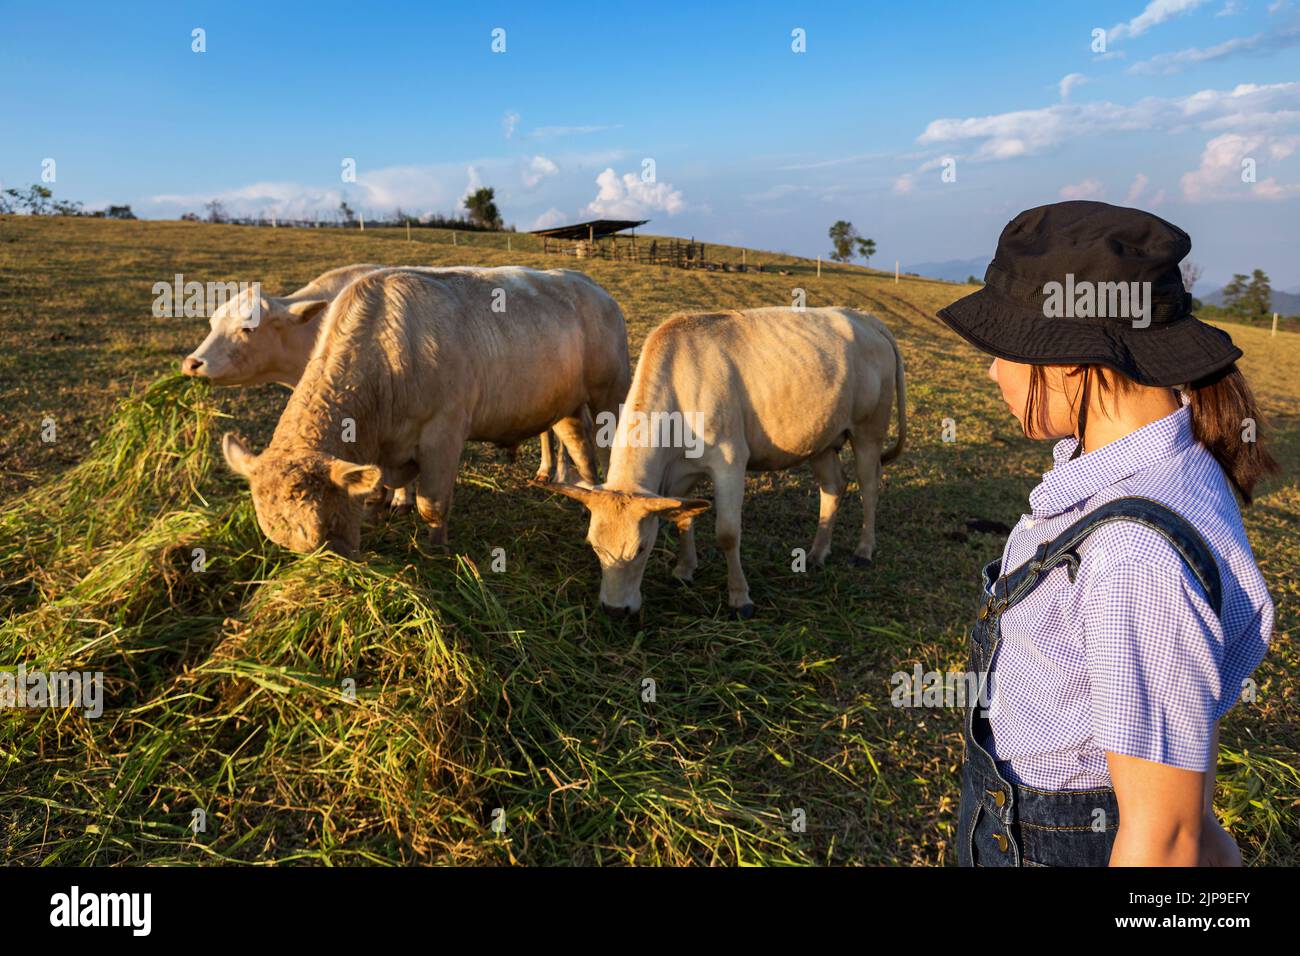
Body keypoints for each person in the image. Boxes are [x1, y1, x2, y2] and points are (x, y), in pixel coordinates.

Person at [936, 201, 1277, 867]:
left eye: (1004, 350)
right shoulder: (1164, 462)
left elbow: (1165, 841)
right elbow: (1192, 817)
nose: (991, 372)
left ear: (1067, 359)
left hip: (1057, 842)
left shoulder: (1132, 555)